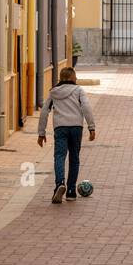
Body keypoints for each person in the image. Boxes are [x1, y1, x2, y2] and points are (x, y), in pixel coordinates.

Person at [37, 65, 96, 204]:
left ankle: (59, 184)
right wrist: (91, 127)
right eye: (75, 76)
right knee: (74, 158)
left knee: (59, 156)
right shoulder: (79, 90)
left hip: (60, 128)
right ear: (71, 77)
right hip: (76, 127)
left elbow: (45, 111)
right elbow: (86, 107)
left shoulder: (53, 92)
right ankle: (70, 191)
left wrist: (41, 133)